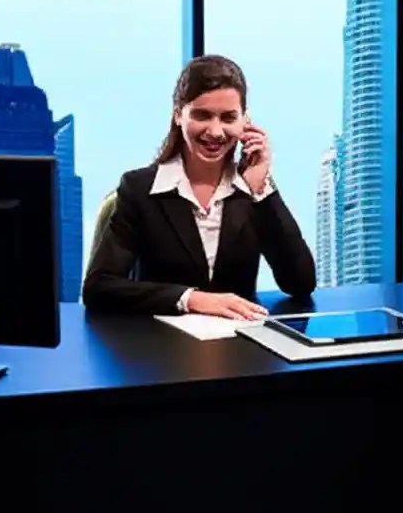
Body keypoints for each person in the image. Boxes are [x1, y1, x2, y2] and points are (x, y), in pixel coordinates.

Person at [82, 54, 316, 319]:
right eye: (202, 116)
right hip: (158, 348)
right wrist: (190, 299)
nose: (215, 132)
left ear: (245, 123)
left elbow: (300, 283)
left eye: (228, 118)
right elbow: (99, 288)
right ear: (178, 115)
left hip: (240, 349)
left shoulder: (252, 191)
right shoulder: (139, 189)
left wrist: (261, 187)